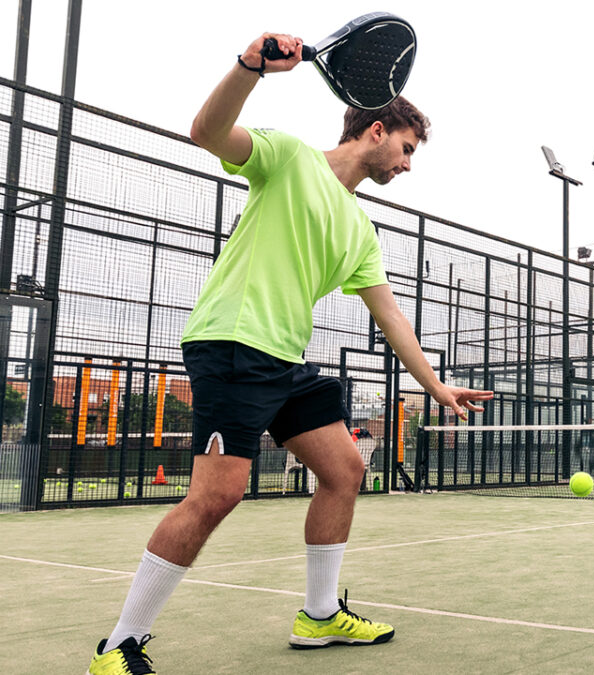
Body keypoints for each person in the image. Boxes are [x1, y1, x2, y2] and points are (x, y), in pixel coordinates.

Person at [88, 32, 493, 675]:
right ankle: (119, 645)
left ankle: (320, 615)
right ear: (377, 131)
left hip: (284, 358)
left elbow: (392, 318)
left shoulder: (360, 228)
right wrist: (251, 68)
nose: (409, 166)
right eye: (408, 150)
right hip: (231, 343)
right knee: (216, 497)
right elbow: (207, 131)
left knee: (344, 469)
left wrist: (437, 387)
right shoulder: (288, 157)